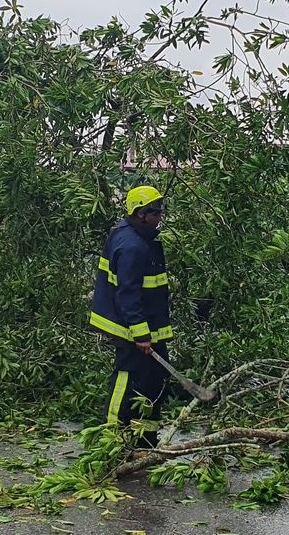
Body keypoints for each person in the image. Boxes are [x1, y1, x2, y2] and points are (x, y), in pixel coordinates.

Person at [89, 185, 174, 447]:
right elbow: (128, 294)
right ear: (140, 214)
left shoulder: (139, 237)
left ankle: (145, 438)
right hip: (128, 325)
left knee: (155, 377)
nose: (160, 217)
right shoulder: (132, 246)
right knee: (127, 376)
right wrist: (141, 333)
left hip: (146, 323)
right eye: (155, 212)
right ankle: (112, 435)